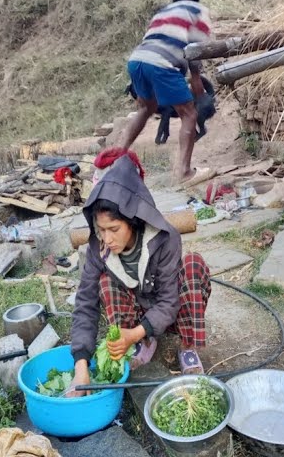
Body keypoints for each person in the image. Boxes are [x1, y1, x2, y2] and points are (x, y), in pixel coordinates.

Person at [66, 152, 212, 395]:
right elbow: (85, 304)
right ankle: (143, 342)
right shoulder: (98, 247)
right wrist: (81, 365)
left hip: (169, 308)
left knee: (193, 265)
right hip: (136, 308)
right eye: (101, 230)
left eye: (114, 229)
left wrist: (133, 332)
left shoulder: (165, 239)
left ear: (132, 222)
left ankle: (186, 347)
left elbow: (168, 302)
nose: (107, 238)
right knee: (104, 282)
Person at [119, 0, 212, 182]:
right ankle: (185, 172)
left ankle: (116, 157)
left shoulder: (162, 12)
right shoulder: (198, 11)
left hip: (137, 60)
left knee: (145, 109)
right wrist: (197, 82)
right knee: (189, 113)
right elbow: (197, 49)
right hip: (162, 64)